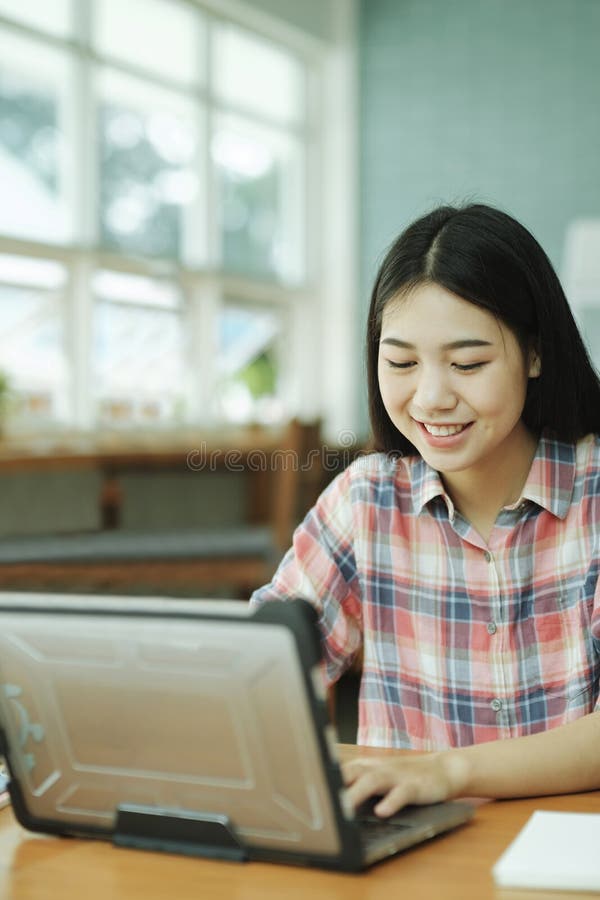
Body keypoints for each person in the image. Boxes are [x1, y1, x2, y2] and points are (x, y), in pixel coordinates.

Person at [250, 202, 600, 815]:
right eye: (402, 363)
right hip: (409, 847)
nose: (432, 397)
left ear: (536, 354)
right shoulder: (367, 499)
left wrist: (448, 772)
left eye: (468, 363)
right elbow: (259, 666)